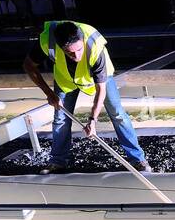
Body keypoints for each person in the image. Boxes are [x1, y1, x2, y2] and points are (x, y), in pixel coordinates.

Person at [22, 20, 152, 173]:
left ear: (82, 39)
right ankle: (57, 162)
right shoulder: (47, 41)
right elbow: (28, 65)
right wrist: (49, 93)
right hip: (65, 80)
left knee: (117, 113)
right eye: (70, 53)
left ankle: (138, 160)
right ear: (60, 47)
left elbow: (101, 89)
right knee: (60, 118)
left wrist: (92, 120)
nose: (76, 56)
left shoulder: (95, 47)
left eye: (79, 49)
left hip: (100, 79)